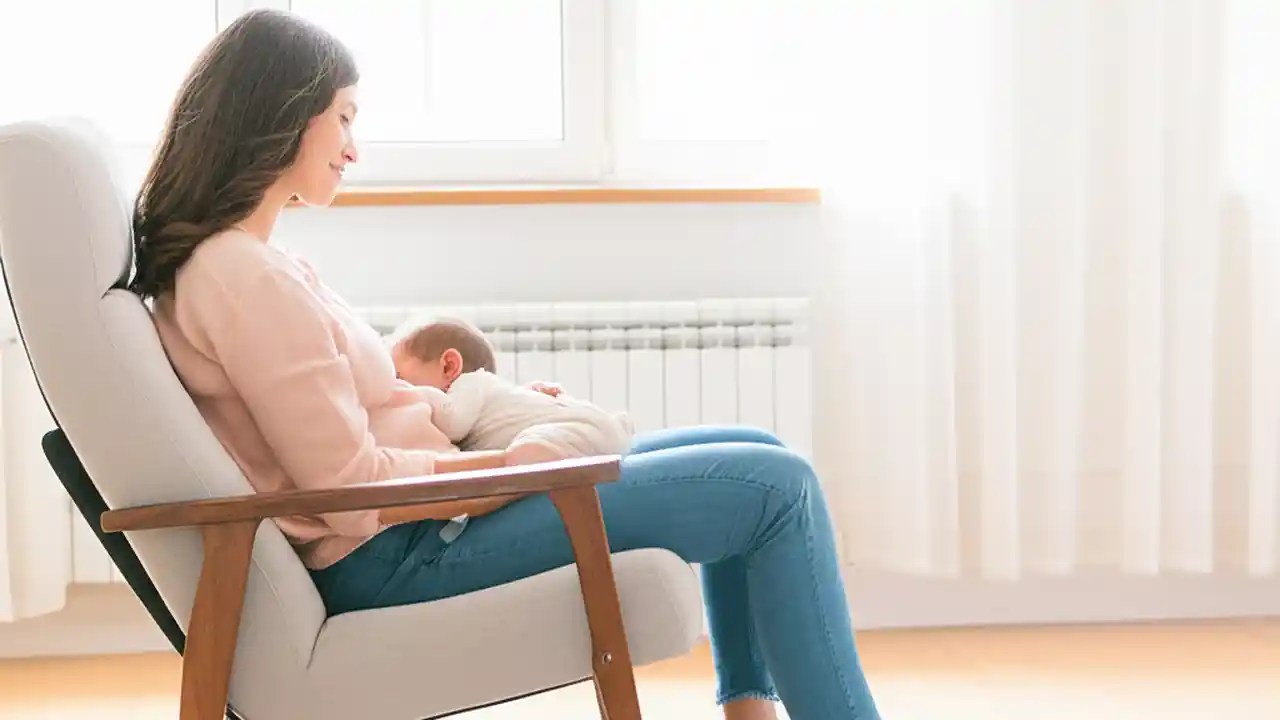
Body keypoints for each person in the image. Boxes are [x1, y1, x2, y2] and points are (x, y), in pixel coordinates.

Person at [130, 9, 881, 720]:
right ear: (283, 115)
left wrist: (498, 428)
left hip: (429, 524)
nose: (353, 148)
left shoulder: (256, 267)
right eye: (345, 117)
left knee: (758, 448)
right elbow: (347, 488)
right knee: (778, 489)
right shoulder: (243, 279)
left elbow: (358, 425)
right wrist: (511, 471)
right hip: (405, 555)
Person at [390, 317, 634, 458]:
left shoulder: (470, 383)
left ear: (449, 366)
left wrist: (408, 397)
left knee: (525, 453)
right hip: (591, 430)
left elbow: (451, 424)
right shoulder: (488, 400)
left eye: (399, 375)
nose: (394, 383)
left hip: (577, 429)